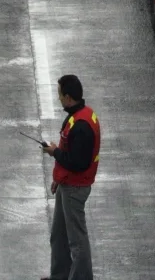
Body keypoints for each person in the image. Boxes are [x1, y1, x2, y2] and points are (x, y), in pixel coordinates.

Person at [40, 74, 101, 280]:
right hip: (67, 183)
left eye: (59, 94)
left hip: (75, 188)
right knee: (59, 235)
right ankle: (60, 276)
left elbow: (78, 163)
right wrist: (58, 177)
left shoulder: (81, 125)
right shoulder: (80, 114)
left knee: (77, 241)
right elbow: (71, 154)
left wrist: (54, 152)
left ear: (68, 97)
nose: (58, 99)